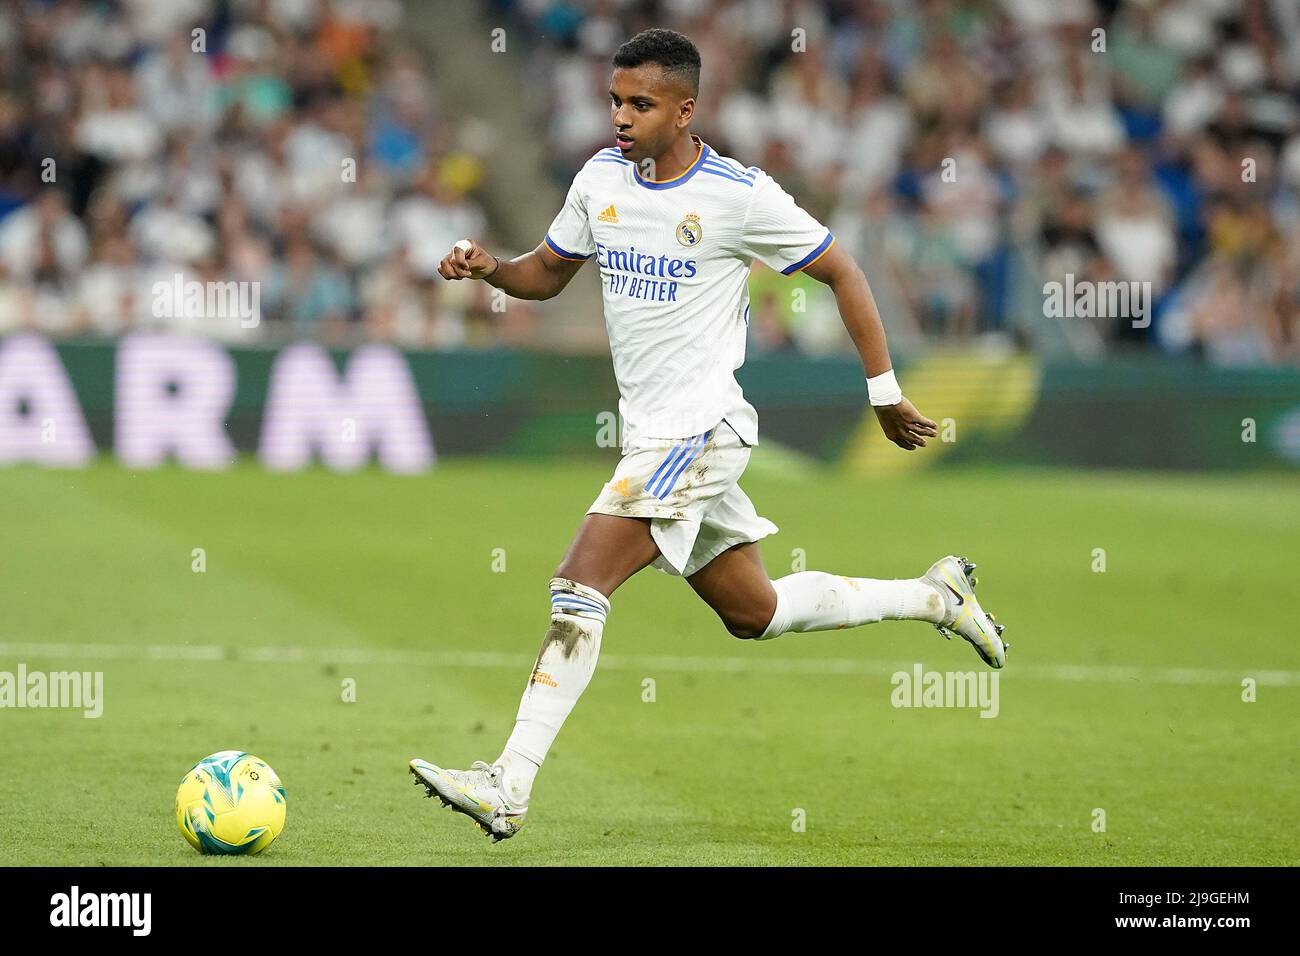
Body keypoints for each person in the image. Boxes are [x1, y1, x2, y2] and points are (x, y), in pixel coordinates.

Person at [411, 29, 1007, 841]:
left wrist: (883, 392)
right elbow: (546, 273)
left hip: (702, 432)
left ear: (686, 109)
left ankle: (508, 782)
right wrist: (491, 269)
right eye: (615, 100)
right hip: (651, 441)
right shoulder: (599, 179)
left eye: (641, 104)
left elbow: (843, 271)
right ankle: (938, 595)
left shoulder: (739, 194)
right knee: (754, 612)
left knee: (578, 582)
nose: (621, 116)